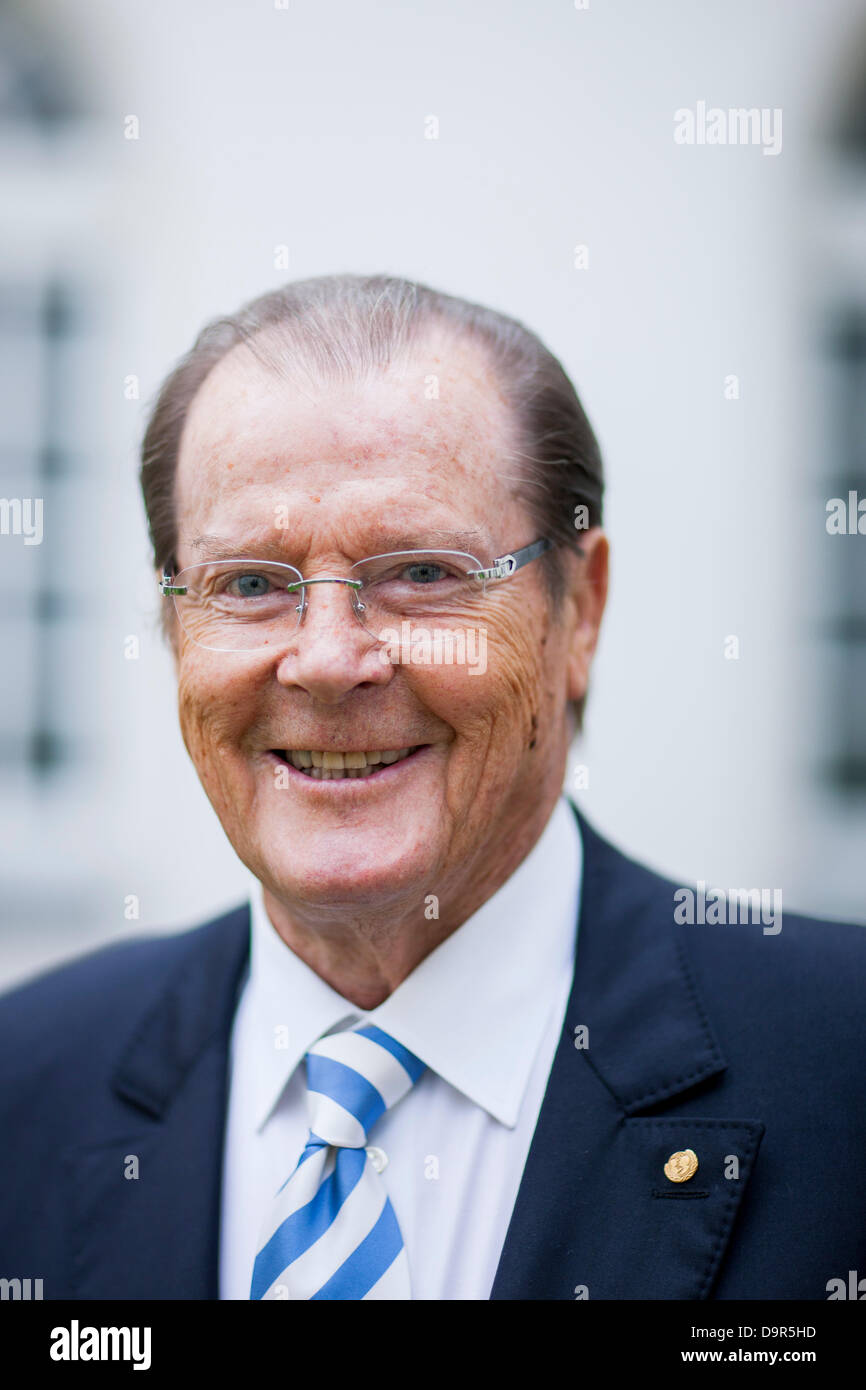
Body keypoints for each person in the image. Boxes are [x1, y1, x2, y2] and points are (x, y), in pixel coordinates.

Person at [1, 274, 864, 1301]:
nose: (327, 661)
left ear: (577, 611)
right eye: (249, 584)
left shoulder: (838, 1067)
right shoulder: (28, 1086)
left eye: (422, 572)